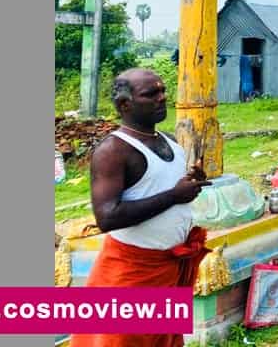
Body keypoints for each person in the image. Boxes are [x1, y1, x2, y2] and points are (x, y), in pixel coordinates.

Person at [71, 69, 212, 347]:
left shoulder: (170, 141)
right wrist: (173, 195)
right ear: (125, 105)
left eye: (162, 91)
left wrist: (188, 187)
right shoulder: (113, 150)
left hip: (168, 269)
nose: (162, 98)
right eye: (151, 94)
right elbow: (107, 217)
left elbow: (162, 193)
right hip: (130, 272)